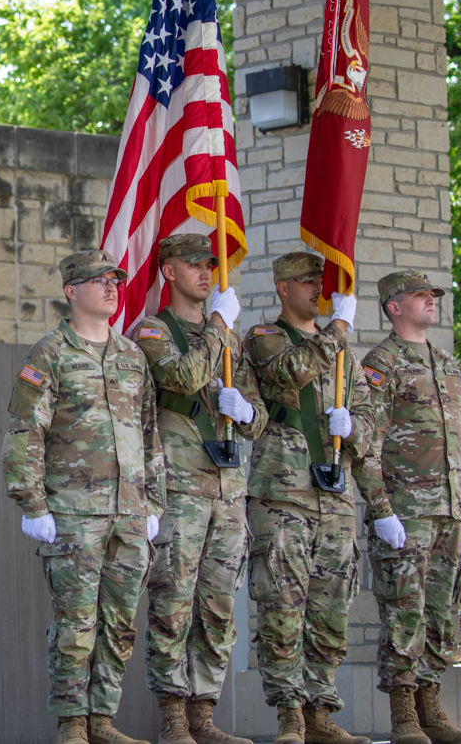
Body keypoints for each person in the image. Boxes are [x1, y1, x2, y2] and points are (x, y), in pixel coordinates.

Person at [4, 249, 164, 744]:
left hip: (130, 515)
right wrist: (31, 503)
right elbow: (24, 432)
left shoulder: (132, 356)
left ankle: (102, 721)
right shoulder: (50, 353)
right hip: (74, 514)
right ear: (71, 291)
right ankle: (71, 724)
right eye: (99, 281)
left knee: (119, 624)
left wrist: (153, 503)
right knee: (76, 624)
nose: (112, 288)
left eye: (115, 280)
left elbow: (150, 433)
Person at [130, 234, 264, 744]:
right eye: (194, 265)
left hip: (228, 492)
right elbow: (183, 378)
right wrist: (219, 324)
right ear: (168, 272)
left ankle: (203, 714)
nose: (207, 273)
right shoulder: (152, 332)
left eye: (210, 265)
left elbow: (259, 417)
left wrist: (246, 411)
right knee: (173, 604)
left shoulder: (225, 338)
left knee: (218, 608)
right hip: (179, 490)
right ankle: (172, 717)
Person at [242, 253, 374, 744]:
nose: (318, 287)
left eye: (321, 280)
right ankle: (289, 716)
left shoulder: (344, 354)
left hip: (335, 499)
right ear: (282, 287)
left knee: (331, 611)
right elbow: (289, 373)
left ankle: (321, 711)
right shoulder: (263, 338)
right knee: (282, 607)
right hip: (284, 496)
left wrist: (355, 426)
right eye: (306, 280)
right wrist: (339, 326)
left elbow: (369, 416)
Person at [357, 271, 461, 744]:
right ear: (394, 306)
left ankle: (432, 712)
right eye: (420, 295)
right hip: (405, 514)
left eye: (433, 295)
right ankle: (404, 716)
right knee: (403, 613)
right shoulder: (381, 365)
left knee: (441, 614)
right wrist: (381, 509)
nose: (431, 301)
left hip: (448, 513)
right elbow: (366, 445)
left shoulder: (449, 365)